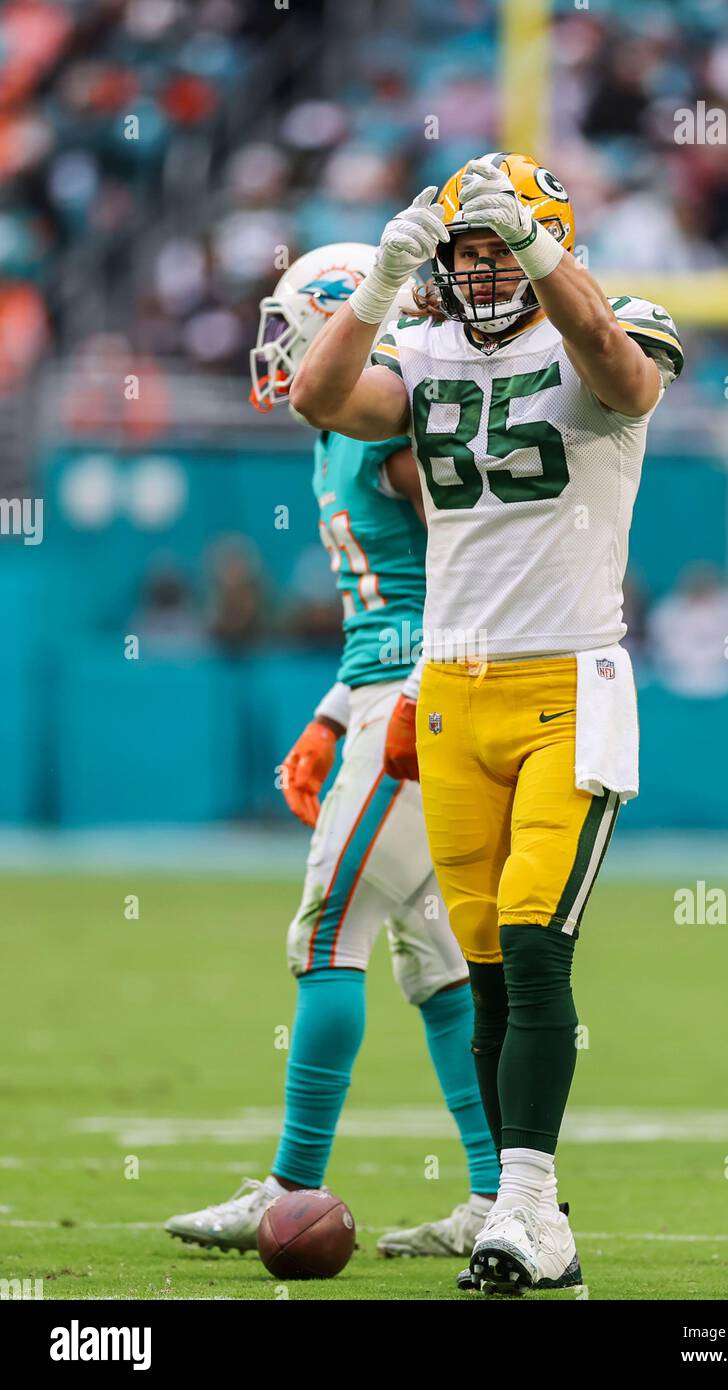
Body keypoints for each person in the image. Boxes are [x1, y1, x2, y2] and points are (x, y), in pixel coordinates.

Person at [290, 154, 684, 1294]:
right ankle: (527, 1210)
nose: (481, 269)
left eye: (496, 246)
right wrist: (381, 285)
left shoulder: (611, 321)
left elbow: (622, 375)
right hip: (453, 688)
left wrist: (542, 251)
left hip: (567, 678)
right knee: (484, 963)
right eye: (466, 252)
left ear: (545, 241)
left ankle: (524, 1208)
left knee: (531, 935)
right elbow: (321, 400)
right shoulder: (422, 348)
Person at [165, 243, 500, 1260]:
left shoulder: (392, 425)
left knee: (325, 934)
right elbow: (382, 599)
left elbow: (475, 569)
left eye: (288, 322)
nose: (277, 345)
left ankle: (289, 1184)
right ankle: (497, 1200)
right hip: (384, 685)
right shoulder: (335, 433)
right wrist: (331, 705)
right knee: (437, 958)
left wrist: (413, 694)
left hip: (419, 696)